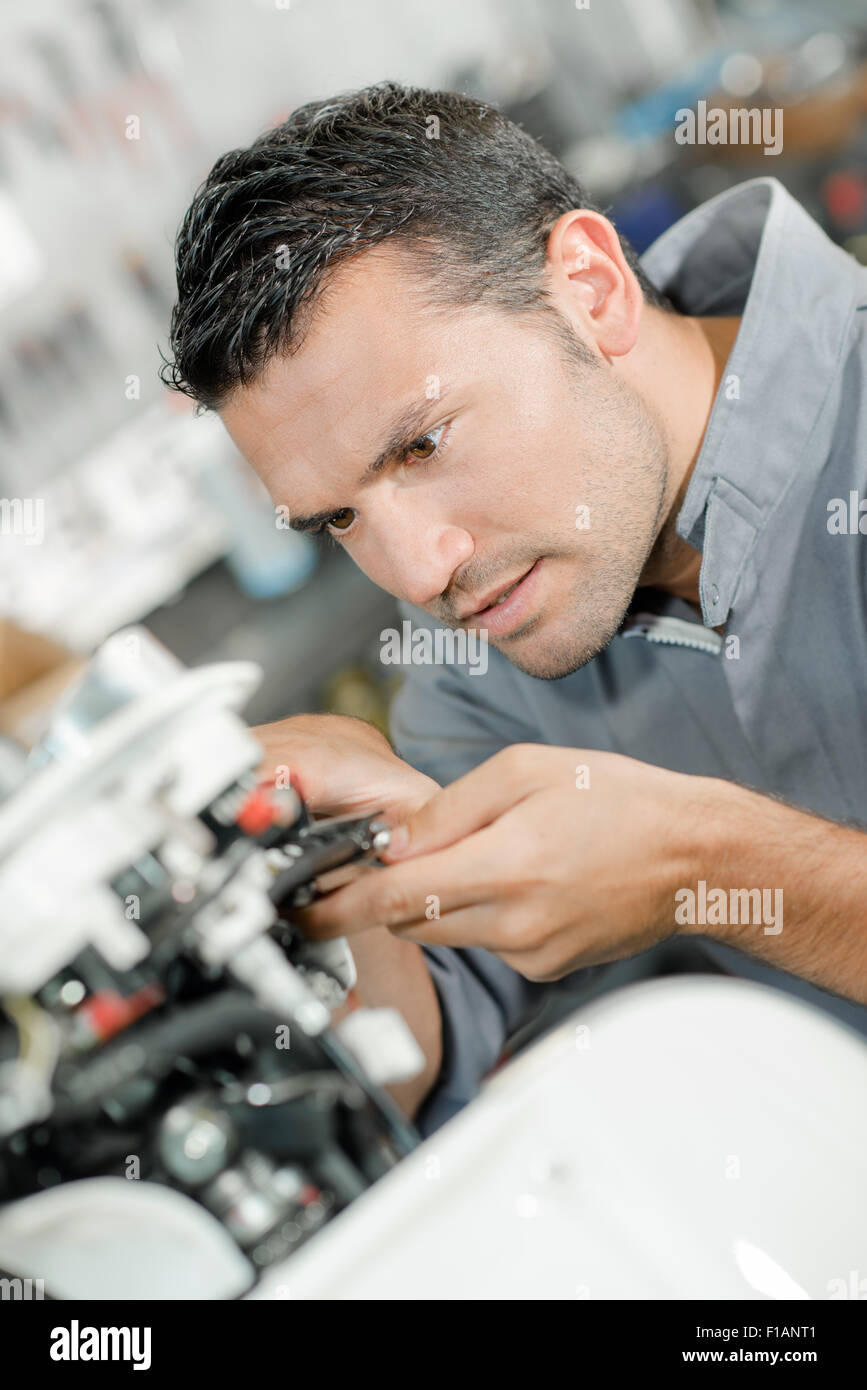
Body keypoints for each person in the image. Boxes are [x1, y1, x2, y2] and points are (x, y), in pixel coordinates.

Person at [162, 82, 867, 1136]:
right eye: (338, 520)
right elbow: (405, 1073)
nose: (416, 570)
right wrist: (359, 867)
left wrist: (710, 860)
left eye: (422, 444)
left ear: (590, 289)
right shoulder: (485, 672)